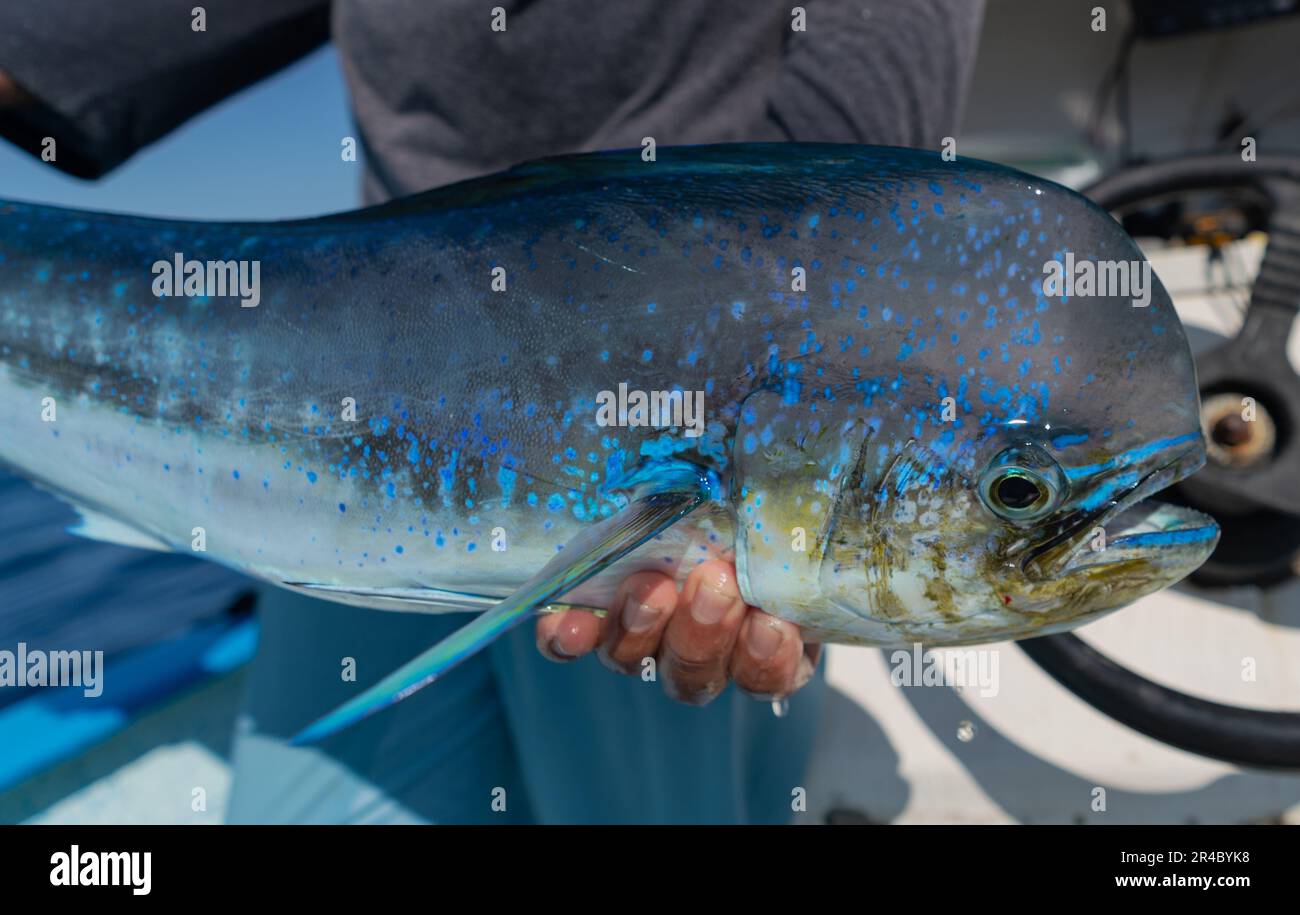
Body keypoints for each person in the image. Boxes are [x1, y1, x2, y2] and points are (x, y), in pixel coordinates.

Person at [0, 0, 984, 823]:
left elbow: (853, 153)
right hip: (355, 441)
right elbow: (59, 60)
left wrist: (778, 419)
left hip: (672, 464)